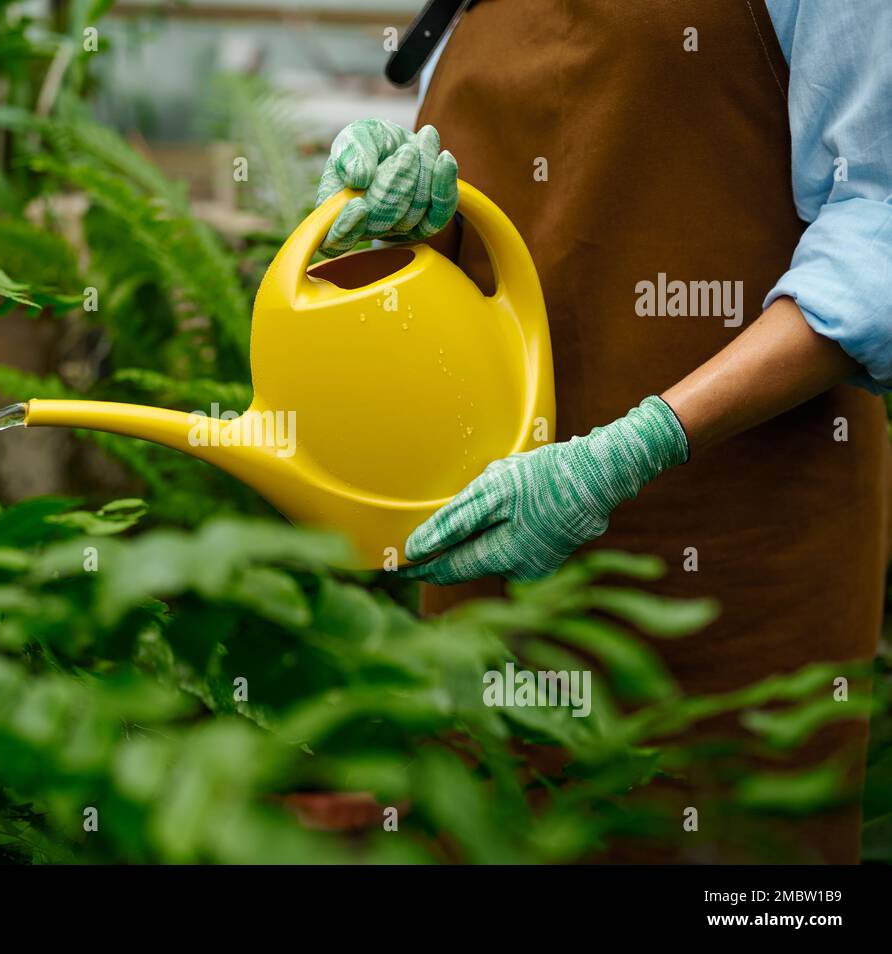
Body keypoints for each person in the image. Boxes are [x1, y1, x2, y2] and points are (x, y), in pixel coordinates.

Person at [315, 0, 892, 862]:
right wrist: (406, 218)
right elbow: (508, 228)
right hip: (493, 546)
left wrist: (640, 443)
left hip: (731, 557)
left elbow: (876, 221)